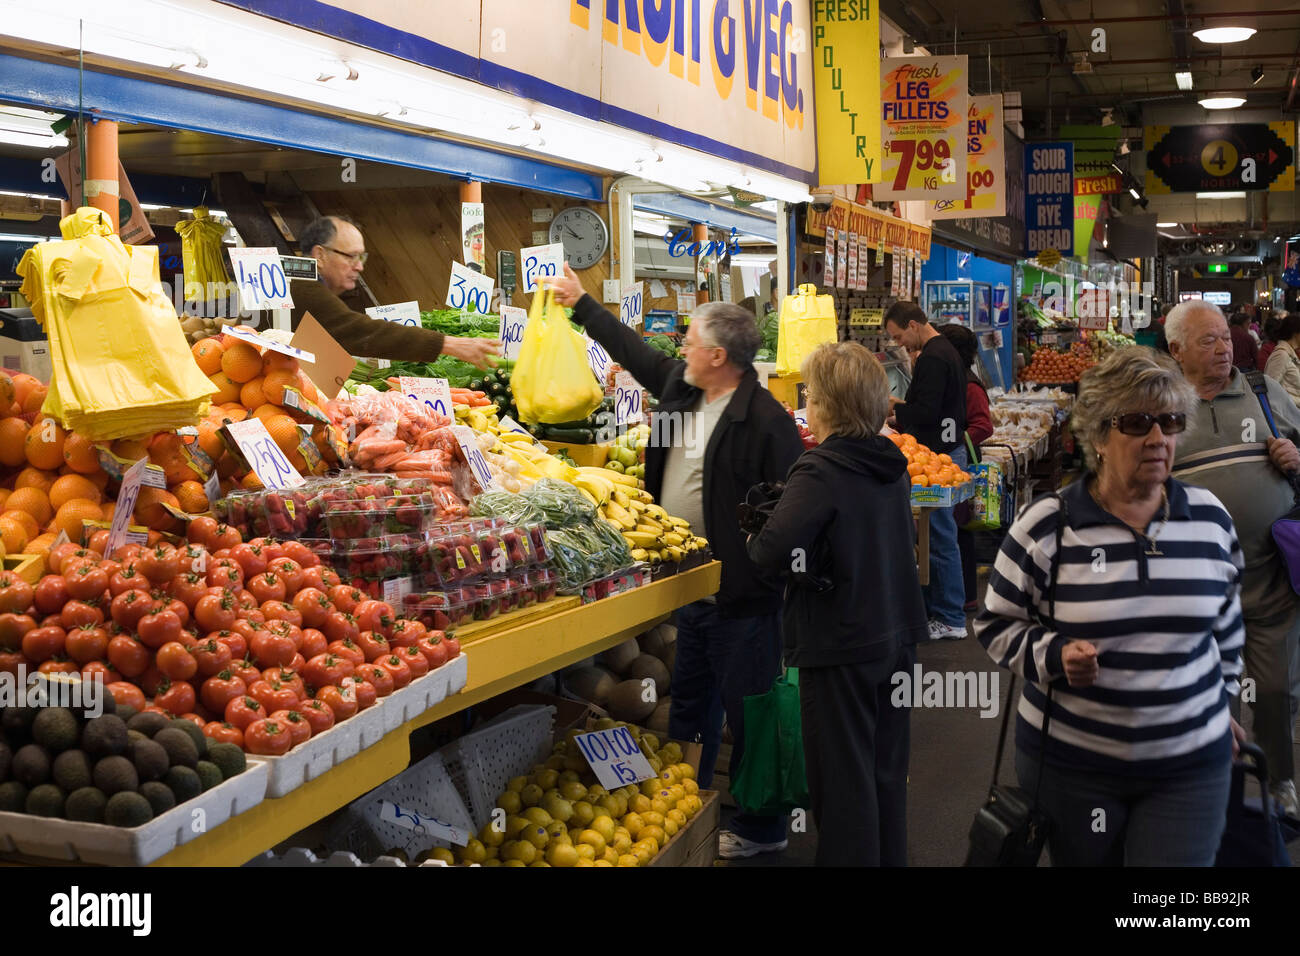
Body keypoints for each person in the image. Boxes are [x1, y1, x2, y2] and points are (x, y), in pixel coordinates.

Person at [548, 262, 804, 859]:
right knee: (690, 705)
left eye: (691, 339)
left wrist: (755, 572)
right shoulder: (680, 391)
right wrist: (581, 302)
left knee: (750, 714)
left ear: (719, 356)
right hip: (686, 586)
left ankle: (765, 828)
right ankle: (688, 803)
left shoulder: (766, 423)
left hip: (742, 597)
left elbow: (790, 512)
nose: (681, 346)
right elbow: (635, 351)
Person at [976, 347, 1247, 865]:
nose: (1157, 438)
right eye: (1137, 422)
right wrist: (1053, 656)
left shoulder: (1210, 520)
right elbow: (994, 623)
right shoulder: (1046, 526)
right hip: (1073, 770)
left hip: (1190, 766)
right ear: (1099, 436)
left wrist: (1224, 700)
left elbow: (1228, 624)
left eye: (1169, 421)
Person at [746, 342, 928, 865]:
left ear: (825, 403)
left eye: (810, 393)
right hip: (894, 637)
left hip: (841, 644)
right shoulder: (890, 462)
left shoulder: (821, 468)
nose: (807, 402)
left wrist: (760, 527)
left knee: (843, 785)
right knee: (884, 775)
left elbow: (770, 549)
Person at [1166, 300, 1300, 815]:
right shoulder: (1163, 405)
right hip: (1196, 587)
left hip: (1270, 577)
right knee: (1209, 693)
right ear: (1177, 350)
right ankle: (1214, 789)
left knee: (1274, 691)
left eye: (1225, 337)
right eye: (1208, 340)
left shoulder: (1263, 392)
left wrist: (1294, 455)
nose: (1224, 348)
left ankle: (1279, 784)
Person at [289, 216, 499, 367]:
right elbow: (359, 331)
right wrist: (448, 344)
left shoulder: (306, 285)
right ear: (320, 255)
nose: (360, 267)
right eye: (351, 256)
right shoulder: (303, 287)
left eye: (361, 258)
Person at [884, 301, 968, 639]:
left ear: (915, 324)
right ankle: (945, 613)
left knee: (940, 538)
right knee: (940, 538)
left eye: (899, 335)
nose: (900, 343)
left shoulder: (933, 357)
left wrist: (895, 411)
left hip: (940, 455)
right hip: (946, 455)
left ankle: (950, 618)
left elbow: (928, 411)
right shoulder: (944, 350)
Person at [937, 324, 993, 612]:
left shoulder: (968, 384)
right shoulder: (956, 379)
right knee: (958, 530)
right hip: (954, 466)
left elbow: (984, 425)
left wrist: (954, 442)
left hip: (963, 467)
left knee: (960, 530)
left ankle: (967, 597)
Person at [1264, 312, 1300, 405]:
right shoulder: (1281, 355)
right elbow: (1270, 390)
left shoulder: (1290, 353)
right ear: (1296, 333)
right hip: (1288, 414)